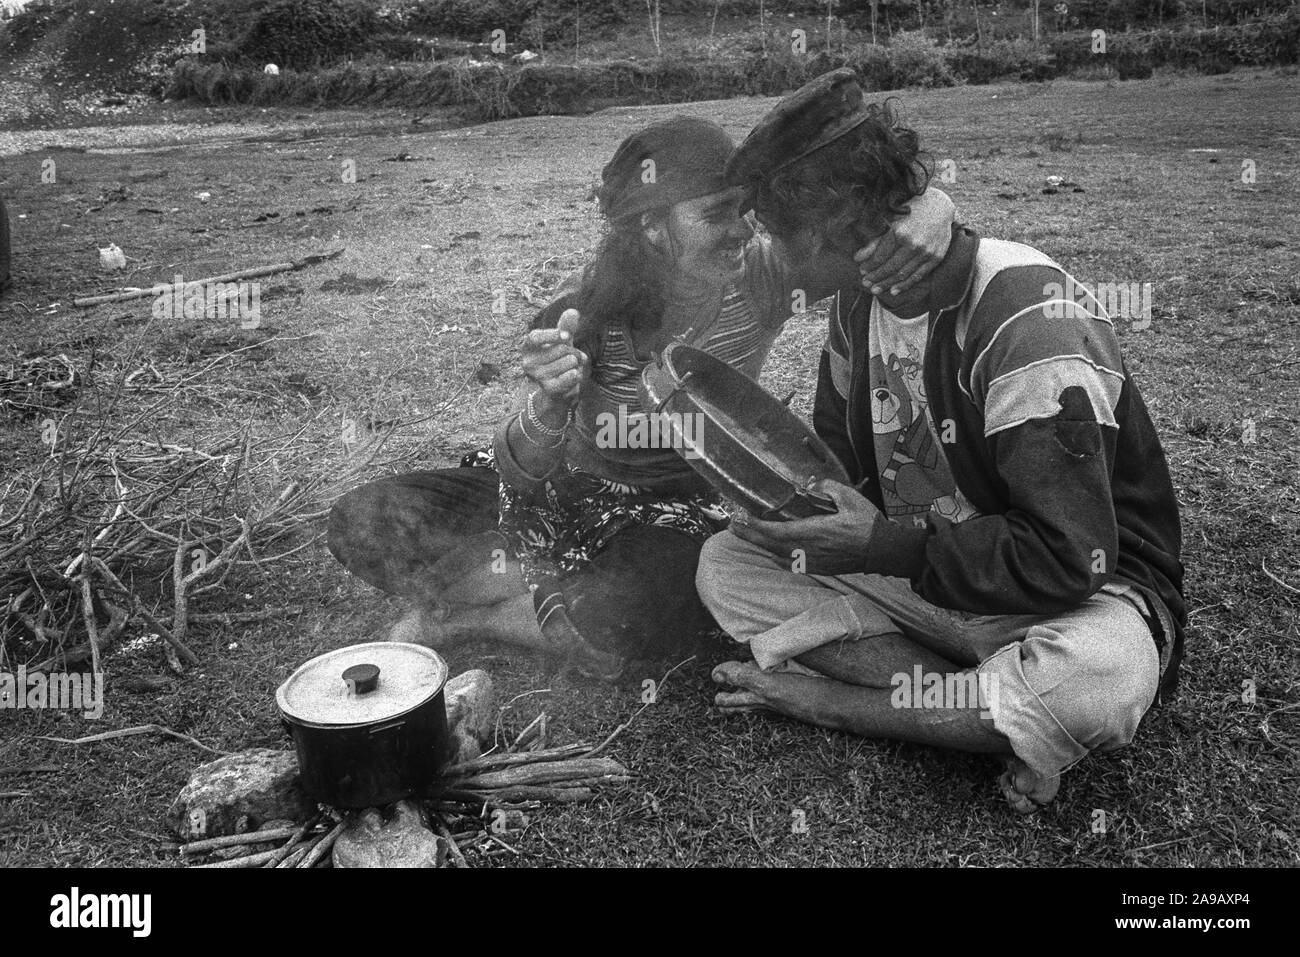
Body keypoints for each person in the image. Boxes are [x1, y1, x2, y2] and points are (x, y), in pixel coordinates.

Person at [694, 70, 1186, 811]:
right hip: (931, 581)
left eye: (777, 230)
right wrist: (796, 510)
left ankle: (830, 701)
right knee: (726, 563)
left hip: (1072, 599)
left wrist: (874, 548)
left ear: (829, 226)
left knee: (1094, 682)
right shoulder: (855, 308)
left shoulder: (1026, 320)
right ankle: (982, 711)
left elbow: (1067, 558)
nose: (773, 253)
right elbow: (848, 475)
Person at [328, 115, 958, 676]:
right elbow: (521, 470)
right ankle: (545, 596)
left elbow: (871, 241)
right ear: (654, 227)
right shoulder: (583, 318)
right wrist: (548, 406)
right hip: (564, 493)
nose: (742, 231)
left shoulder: (767, 280)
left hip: (684, 511)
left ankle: (468, 620)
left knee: (646, 598)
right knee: (362, 521)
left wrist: (935, 208)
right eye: (716, 214)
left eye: (744, 209)